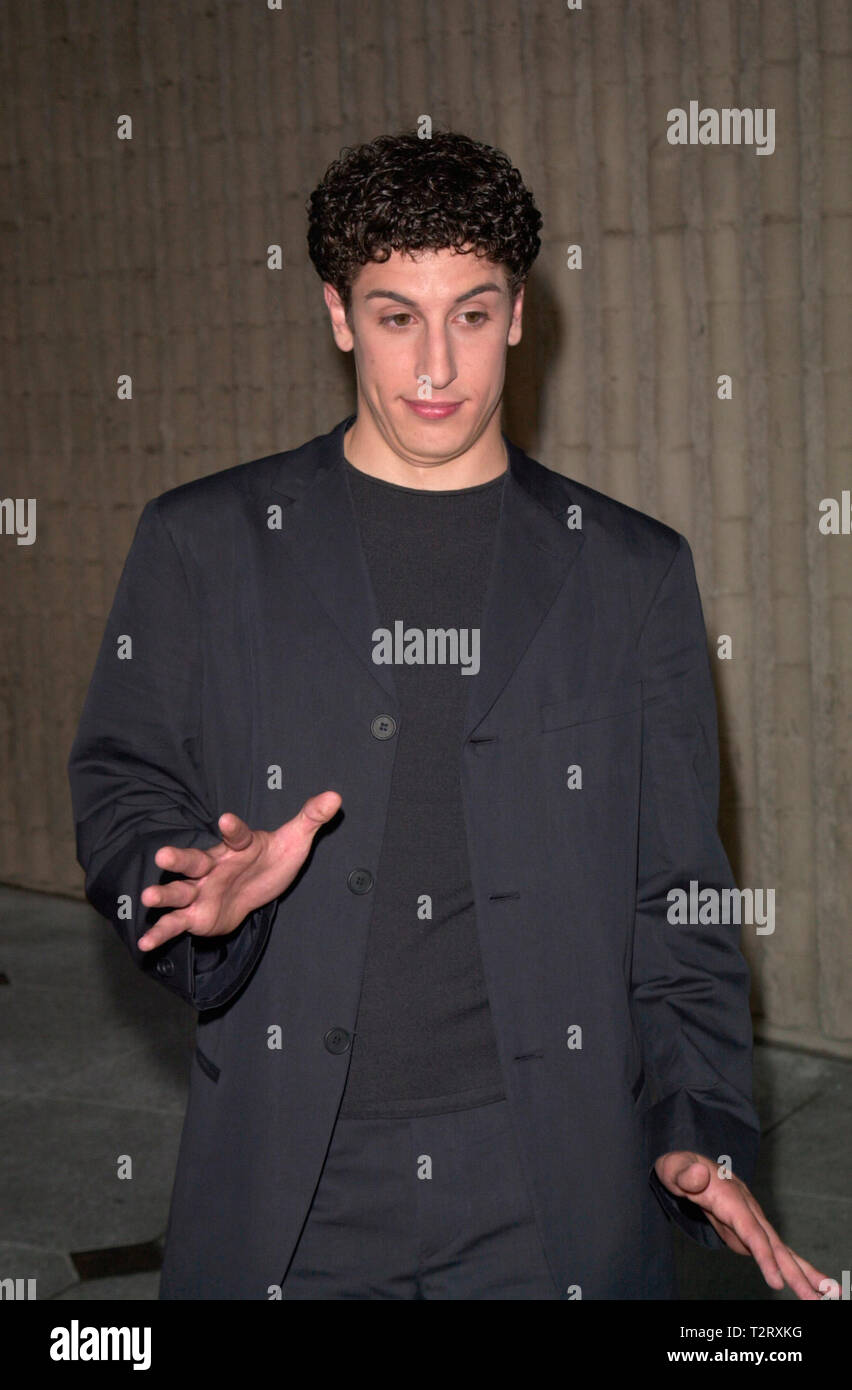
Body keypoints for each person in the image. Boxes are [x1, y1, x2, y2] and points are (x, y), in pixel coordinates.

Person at [68, 129, 828, 1300]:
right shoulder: (204, 542)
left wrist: (696, 1124)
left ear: (519, 314)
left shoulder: (631, 573)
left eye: (470, 314)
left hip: (552, 1192)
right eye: (394, 315)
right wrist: (190, 888)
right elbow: (119, 779)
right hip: (291, 1185)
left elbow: (678, 895)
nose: (435, 364)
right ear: (337, 315)